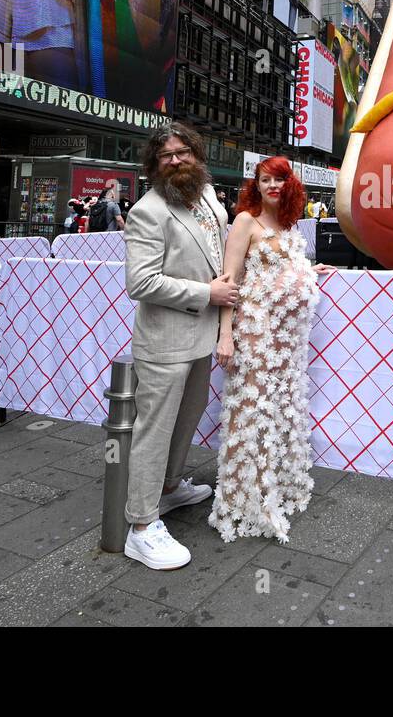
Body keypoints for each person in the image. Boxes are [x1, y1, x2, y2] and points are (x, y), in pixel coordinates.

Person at [121, 123, 238, 570]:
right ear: (154, 165)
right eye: (165, 155)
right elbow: (141, 282)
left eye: (182, 151)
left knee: (187, 420)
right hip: (165, 343)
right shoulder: (148, 211)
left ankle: (169, 489)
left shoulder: (207, 197)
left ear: (196, 155)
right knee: (153, 431)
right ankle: (141, 525)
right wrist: (207, 294)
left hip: (200, 339)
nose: (175, 160)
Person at [209, 157, 335, 543]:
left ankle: (274, 485)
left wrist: (305, 273)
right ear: (256, 185)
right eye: (266, 180)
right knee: (250, 410)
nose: (273, 186)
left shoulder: (287, 223)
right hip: (256, 333)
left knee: (278, 409)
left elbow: (280, 268)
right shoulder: (246, 222)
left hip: (287, 340)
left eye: (280, 179)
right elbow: (229, 282)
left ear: (289, 185)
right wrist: (225, 335)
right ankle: (240, 498)